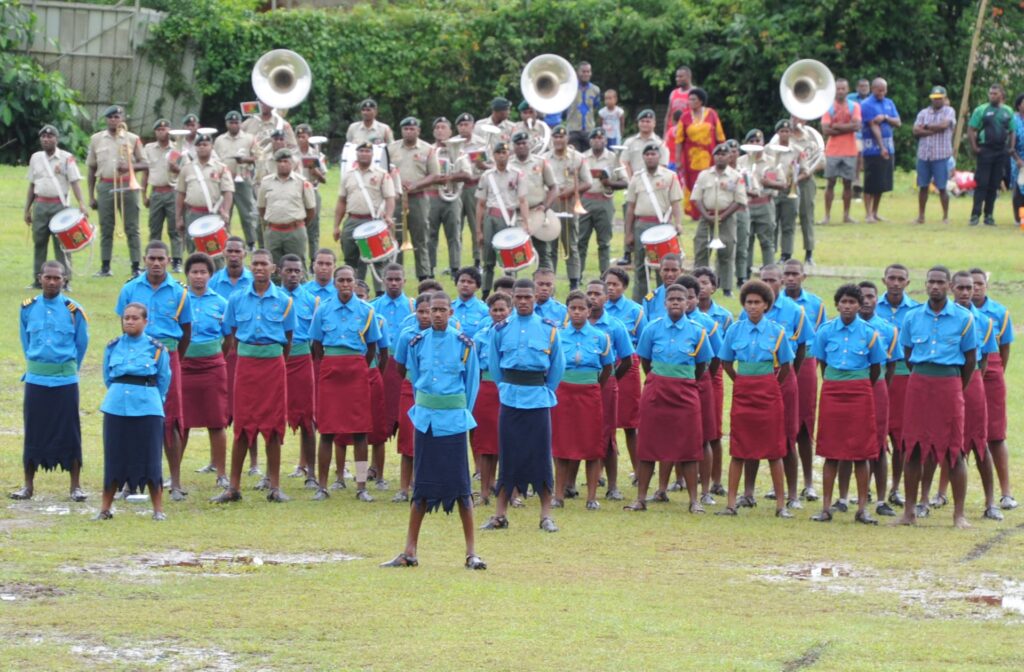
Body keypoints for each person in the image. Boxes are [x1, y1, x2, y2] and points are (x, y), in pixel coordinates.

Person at [380, 292, 485, 570]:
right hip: (425, 420)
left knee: (462, 488)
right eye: (432, 310)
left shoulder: (464, 344)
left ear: (451, 313)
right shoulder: (416, 344)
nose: (437, 315)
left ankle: (472, 552)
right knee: (421, 488)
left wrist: (460, 414)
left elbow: (472, 385)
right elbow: (414, 382)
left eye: (442, 310)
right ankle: (409, 551)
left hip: (452, 422)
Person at [211, 249, 295, 504]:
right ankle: (233, 487)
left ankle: (275, 486)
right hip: (246, 364)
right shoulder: (236, 300)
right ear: (251, 266)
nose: (259, 268)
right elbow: (232, 332)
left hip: (273, 365)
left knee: (273, 425)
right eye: (255, 264)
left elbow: (288, 339)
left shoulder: (284, 301)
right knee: (243, 425)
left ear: (273, 269)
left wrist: (274, 359)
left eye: (264, 264)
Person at [480, 279, 565, 532]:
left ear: (534, 298)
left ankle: (546, 515)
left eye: (528, 297)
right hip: (510, 399)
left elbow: (557, 366)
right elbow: (495, 365)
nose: (524, 301)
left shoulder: (549, 329)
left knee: (540, 455)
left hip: (538, 398)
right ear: (513, 298)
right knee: (508, 454)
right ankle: (500, 514)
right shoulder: (501, 329)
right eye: (519, 297)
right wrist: (505, 388)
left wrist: (545, 389)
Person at [896, 266, 976, 528]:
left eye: (941, 282)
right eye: (931, 282)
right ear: (925, 284)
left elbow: (970, 360)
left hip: (950, 384)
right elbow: (908, 354)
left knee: (954, 449)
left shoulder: (964, 318)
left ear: (950, 286)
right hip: (919, 383)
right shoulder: (911, 317)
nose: (935, 287)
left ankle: (959, 515)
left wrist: (953, 386)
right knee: (913, 448)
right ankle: (909, 512)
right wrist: (924, 376)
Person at [921, 271, 1001, 520]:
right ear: (951, 288)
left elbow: (984, 360)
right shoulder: (943, 318)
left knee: (979, 441)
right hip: (945, 381)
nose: (967, 292)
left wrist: (968, 383)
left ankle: (990, 503)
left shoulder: (985, 323)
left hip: (971, 381)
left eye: (972, 287)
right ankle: (925, 499)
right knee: (933, 439)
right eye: (962, 288)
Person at [625, 283, 712, 512]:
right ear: (664, 303)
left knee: (690, 447)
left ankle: (694, 501)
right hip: (656, 392)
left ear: (688, 303)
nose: (675, 302)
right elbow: (645, 360)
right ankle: (641, 498)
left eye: (680, 299)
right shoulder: (652, 329)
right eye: (671, 299)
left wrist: (681, 380)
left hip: (685, 393)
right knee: (647, 445)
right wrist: (660, 380)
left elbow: (702, 366)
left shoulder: (697, 331)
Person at [116, 240, 192, 501]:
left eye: (161, 258)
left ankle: (175, 481)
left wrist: (171, 361)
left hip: (169, 358)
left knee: (171, 421)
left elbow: (186, 332)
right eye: (152, 258)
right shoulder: (129, 289)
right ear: (144, 260)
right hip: (136, 358)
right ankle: (130, 481)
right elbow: (123, 327)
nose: (157, 263)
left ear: (169, 260)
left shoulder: (181, 293)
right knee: (134, 419)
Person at [809, 284, 887, 524]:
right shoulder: (825, 331)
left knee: (861, 453)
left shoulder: (870, 333)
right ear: (837, 304)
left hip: (861, 392)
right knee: (830, 452)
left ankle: (862, 508)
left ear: (859, 305)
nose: (847, 306)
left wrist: (857, 384)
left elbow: (876, 368)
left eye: (852, 302)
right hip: (833, 391)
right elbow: (822, 363)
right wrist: (836, 382)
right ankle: (826, 507)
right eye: (843, 302)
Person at [716, 280, 794, 518]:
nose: (752, 307)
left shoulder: (777, 332)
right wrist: (740, 380)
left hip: (769, 393)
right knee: (738, 448)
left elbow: (787, 365)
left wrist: (770, 384)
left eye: (757, 302)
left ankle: (781, 505)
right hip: (743, 392)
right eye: (748, 302)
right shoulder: (734, 331)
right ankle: (730, 503)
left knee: (774, 449)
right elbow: (726, 361)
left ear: (766, 305)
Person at [12, 261, 88, 502]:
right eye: (48, 277)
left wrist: (66, 370)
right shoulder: (27, 308)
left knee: (70, 431)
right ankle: (28, 485)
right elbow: (26, 342)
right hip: (36, 379)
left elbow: (81, 345)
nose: (53, 282)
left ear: (64, 280)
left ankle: (75, 486)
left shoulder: (74, 310)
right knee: (34, 431)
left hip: (65, 380)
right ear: (40, 278)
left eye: (57, 278)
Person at [740, 264, 815, 509]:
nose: (768, 284)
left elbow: (801, 347)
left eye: (772, 279)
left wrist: (786, 375)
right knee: (750, 433)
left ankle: (792, 494)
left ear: (780, 282)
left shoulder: (795, 311)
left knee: (787, 435)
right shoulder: (749, 310)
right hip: (755, 378)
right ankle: (748, 492)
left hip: (783, 376)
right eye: (764, 279)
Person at [308, 264, 382, 502]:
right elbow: (316, 345)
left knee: (360, 431)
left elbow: (372, 347)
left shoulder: (366, 310)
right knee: (327, 430)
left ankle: (361, 485)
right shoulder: (323, 310)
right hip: (330, 369)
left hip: (357, 370)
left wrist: (358, 365)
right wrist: (331, 363)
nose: (345, 284)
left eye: (349, 280)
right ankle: (322, 485)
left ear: (354, 281)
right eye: (340, 280)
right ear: (335, 283)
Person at [96, 302, 171, 521]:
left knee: (150, 457)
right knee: (114, 457)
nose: (129, 321)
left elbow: (164, 380)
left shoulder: (157, 349)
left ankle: (158, 510)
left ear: (145, 321)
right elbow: (108, 378)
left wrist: (153, 401)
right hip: (116, 406)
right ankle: (105, 508)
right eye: (126, 317)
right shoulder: (113, 346)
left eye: (135, 318)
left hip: (147, 407)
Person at [551, 291, 614, 509]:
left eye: (581, 309)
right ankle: (558, 494)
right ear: (567, 311)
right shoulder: (557, 336)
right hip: (564, 393)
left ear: (589, 311)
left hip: (590, 393)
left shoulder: (600, 337)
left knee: (592, 446)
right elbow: (551, 366)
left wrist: (594, 386)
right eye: (573, 308)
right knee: (561, 444)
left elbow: (608, 367)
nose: (577, 312)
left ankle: (591, 497)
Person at [179, 252, 231, 489]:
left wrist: (215, 355)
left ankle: (221, 473)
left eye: (203, 272)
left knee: (217, 420)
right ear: (187, 275)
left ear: (210, 275)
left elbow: (229, 337)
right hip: (185, 366)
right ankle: (174, 473)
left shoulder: (221, 302)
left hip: (213, 366)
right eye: (194, 272)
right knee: (182, 422)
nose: (198, 277)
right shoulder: (180, 300)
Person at [970, 268, 1018, 510]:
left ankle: (1006, 492)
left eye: (980, 283)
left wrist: (996, 372)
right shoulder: (956, 313)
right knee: (957, 434)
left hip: (992, 370)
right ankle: (941, 492)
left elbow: (1005, 348)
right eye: (971, 284)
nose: (976, 288)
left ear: (986, 285)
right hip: (966, 371)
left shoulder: (999, 312)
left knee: (996, 434)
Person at [584, 280, 635, 503]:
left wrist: (611, 379)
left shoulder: (614, 326)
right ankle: (569, 484)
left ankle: (612, 485)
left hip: (606, 384)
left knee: (608, 435)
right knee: (580, 432)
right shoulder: (576, 323)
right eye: (590, 293)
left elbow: (627, 360)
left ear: (606, 298)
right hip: (582, 385)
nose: (593, 297)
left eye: (598, 294)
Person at [87, 105, 148, 278]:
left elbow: (145, 163)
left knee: (132, 227)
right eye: (111, 117)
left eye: (117, 117)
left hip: (128, 185)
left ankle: (136, 266)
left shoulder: (133, 138)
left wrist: (130, 166)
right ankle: (105, 266)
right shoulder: (96, 139)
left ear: (123, 119)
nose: (114, 120)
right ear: (106, 119)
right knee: (106, 226)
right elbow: (91, 168)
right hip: (105, 185)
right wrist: (91, 195)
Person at [783, 259, 826, 500]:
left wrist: (812, 367)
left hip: (807, 364)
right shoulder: (773, 303)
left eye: (795, 274)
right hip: (781, 365)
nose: (790, 278)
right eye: (787, 274)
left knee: (804, 424)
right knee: (781, 423)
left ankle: (808, 481)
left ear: (803, 276)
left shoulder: (816, 305)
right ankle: (780, 480)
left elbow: (819, 339)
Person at [876, 264, 919, 507]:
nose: (895, 282)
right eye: (891, 278)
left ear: (907, 282)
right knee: (875, 433)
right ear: (884, 280)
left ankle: (895, 487)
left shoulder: (915, 310)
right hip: (879, 375)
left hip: (904, 375)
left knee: (901, 436)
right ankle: (872, 488)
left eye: (900, 278)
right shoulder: (871, 306)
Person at [602, 266, 646, 493]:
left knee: (630, 424)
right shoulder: (597, 308)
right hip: (603, 367)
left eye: (615, 284)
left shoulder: (635, 311)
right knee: (603, 422)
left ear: (624, 287)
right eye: (607, 284)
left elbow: (644, 340)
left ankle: (639, 471)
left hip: (627, 366)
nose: (611, 288)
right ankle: (600, 471)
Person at [24, 125, 85, 288]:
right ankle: (38, 279)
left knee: (63, 245)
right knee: (39, 243)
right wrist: (27, 209)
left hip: (60, 206)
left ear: (56, 139)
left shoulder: (66, 157)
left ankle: (64, 280)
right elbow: (31, 185)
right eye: (43, 137)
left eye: (49, 137)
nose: (46, 139)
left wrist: (81, 204)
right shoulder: (35, 158)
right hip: (41, 204)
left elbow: (75, 182)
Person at [280, 255, 320, 494]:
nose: (293, 274)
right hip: (277, 360)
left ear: (303, 273)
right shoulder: (273, 297)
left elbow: (316, 338)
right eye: (288, 270)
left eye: (297, 270)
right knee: (271, 417)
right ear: (280, 272)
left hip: (302, 359)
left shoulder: (311, 300)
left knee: (308, 418)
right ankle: (267, 474)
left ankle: (312, 473)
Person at [334, 141, 396, 292]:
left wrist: (388, 216)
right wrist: (336, 225)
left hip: (373, 222)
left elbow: (390, 198)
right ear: (356, 154)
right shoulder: (348, 176)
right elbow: (341, 201)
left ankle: (380, 294)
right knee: (351, 259)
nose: (364, 154)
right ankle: (356, 291)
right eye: (361, 151)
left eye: (367, 151)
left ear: (372, 154)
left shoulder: (381, 174)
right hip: (352, 221)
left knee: (379, 261)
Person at [371, 263, 415, 482]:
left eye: (398, 279)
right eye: (390, 279)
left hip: (406, 368)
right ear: (383, 280)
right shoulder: (373, 307)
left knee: (407, 420)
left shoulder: (414, 306)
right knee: (377, 418)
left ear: (404, 281)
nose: (394, 283)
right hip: (382, 364)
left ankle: (411, 475)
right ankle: (372, 469)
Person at [624, 144, 684, 302]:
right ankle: (639, 302)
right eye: (647, 154)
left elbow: (676, 202)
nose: (650, 157)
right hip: (641, 225)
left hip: (663, 226)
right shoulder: (637, 178)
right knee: (640, 266)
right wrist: (628, 233)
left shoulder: (669, 176)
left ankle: (666, 300)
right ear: (643, 157)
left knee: (663, 267)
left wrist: (678, 223)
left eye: (653, 154)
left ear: (659, 157)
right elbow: (630, 207)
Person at [694, 266, 733, 496]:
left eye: (706, 283)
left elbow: (722, 352)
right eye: (697, 283)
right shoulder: (685, 312)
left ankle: (715, 479)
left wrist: (711, 373)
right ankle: (682, 476)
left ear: (715, 288)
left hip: (712, 374)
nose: (701, 288)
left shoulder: (724, 317)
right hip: (692, 373)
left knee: (713, 430)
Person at [691, 143, 747, 297]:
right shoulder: (704, 175)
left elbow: (740, 200)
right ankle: (697, 285)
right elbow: (696, 198)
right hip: (706, 216)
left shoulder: (736, 176)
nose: (721, 157)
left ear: (730, 157)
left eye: (724, 154)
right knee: (701, 249)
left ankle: (727, 287)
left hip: (726, 217)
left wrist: (722, 216)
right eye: (718, 154)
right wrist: (707, 216)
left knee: (727, 252)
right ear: (713, 156)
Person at [474, 141, 530, 292]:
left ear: (509, 154)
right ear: (493, 156)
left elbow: (523, 200)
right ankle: (486, 293)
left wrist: (526, 223)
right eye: (498, 153)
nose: (501, 156)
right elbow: (480, 204)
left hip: (510, 219)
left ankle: (511, 292)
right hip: (491, 217)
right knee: (488, 260)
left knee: (511, 260)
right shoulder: (487, 176)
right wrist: (478, 230)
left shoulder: (517, 174)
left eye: (504, 153)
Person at [389, 117, 440, 280]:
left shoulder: (427, 149)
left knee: (421, 238)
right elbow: (383, 171)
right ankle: (396, 275)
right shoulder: (391, 148)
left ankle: (424, 276)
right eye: (405, 129)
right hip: (396, 199)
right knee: (395, 237)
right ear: (401, 130)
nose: (408, 132)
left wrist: (416, 185)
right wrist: (396, 182)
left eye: (412, 129)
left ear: (418, 130)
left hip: (419, 199)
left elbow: (435, 175)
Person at [471, 292, 509, 504]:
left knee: (510, 444)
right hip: (486, 390)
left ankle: (511, 493)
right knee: (486, 445)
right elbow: (473, 369)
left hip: (509, 390)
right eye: (494, 310)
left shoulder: (515, 334)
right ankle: (485, 492)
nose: (498, 314)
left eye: (502, 309)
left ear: (509, 311)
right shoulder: (480, 337)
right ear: (489, 312)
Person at [543, 126, 591, 287]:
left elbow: (588, 182)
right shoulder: (544, 158)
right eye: (555, 137)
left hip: (569, 204)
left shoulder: (577, 158)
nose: (558, 140)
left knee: (571, 244)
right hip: (550, 205)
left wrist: (569, 191)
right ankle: (550, 282)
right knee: (551, 246)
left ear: (567, 139)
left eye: (561, 137)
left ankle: (574, 282)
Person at [174, 133, 234, 256]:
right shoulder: (187, 168)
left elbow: (228, 191)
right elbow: (180, 194)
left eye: (205, 144)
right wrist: (179, 217)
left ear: (211, 146)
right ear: (195, 148)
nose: (202, 147)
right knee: (193, 249)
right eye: (199, 145)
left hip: (213, 213)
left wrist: (226, 211)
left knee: (217, 250)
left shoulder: (220, 168)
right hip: (193, 214)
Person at [736, 131, 783, 284]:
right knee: (745, 241)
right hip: (746, 205)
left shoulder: (771, 162)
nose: (755, 143)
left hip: (765, 204)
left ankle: (770, 275)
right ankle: (744, 274)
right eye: (752, 140)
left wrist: (768, 183)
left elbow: (783, 183)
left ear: (763, 142)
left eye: (758, 140)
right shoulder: (740, 162)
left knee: (767, 241)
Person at [257, 148, 315, 270]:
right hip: (273, 232)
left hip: (295, 231)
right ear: (275, 164)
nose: (282, 164)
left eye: (285, 161)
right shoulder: (266, 182)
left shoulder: (302, 182)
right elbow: (262, 207)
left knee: (297, 265)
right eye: (280, 162)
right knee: (272, 267)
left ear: (292, 163)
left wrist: (299, 224)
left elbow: (310, 210)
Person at [428, 117, 472, 278]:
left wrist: (450, 177)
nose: (440, 130)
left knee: (454, 235)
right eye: (437, 127)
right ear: (433, 131)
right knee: (430, 235)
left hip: (452, 198)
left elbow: (468, 174)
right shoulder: (429, 151)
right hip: (432, 197)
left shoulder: (459, 152)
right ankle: (429, 268)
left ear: (450, 132)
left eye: (444, 127)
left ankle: (455, 268)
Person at [509, 130, 557, 273]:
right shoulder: (508, 164)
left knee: (543, 252)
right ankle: (512, 288)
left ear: (529, 144)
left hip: (536, 212)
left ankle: (547, 286)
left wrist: (545, 206)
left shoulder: (540, 162)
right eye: (518, 144)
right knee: (513, 253)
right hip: (514, 214)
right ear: (513, 146)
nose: (521, 146)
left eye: (524, 143)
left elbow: (554, 187)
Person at [580, 128, 626, 275]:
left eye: (601, 138)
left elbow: (626, 182)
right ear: (590, 140)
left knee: (604, 243)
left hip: (604, 201)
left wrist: (610, 183)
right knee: (581, 241)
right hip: (585, 200)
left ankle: (605, 275)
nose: (598, 140)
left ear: (605, 140)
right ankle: (577, 275)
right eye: (594, 138)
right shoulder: (582, 158)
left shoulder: (614, 158)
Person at [968, 84, 1015, 227]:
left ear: (1001, 95)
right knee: (982, 183)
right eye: (990, 93)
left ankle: (989, 215)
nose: (992, 96)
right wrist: (975, 147)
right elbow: (971, 128)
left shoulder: (1008, 111)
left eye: (995, 93)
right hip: (986, 150)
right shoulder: (981, 110)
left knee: (994, 184)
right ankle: (975, 215)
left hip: (1001, 151)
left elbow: (1012, 131)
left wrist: (1011, 147)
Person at [676, 88, 726, 219]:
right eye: (689, 99)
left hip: (710, 155)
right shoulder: (685, 117)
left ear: (701, 101)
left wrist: (723, 154)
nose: (690, 102)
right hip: (691, 158)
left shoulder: (712, 114)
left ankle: (711, 209)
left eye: (693, 99)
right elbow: (679, 139)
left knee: (710, 182)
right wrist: (678, 159)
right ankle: (696, 213)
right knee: (693, 183)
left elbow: (720, 137)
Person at [140, 119, 182, 272]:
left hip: (172, 191)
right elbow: (146, 172)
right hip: (156, 192)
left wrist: (175, 168)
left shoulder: (177, 148)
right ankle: (151, 259)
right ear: (155, 132)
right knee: (154, 228)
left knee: (175, 229)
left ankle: (177, 260)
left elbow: (184, 172)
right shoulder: (149, 148)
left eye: (165, 129)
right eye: (158, 129)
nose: (162, 132)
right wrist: (144, 194)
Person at [214, 111, 259, 249]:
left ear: (240, 123)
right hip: (225, 181)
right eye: (231, 122)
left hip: (243, 180)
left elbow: (258, 157)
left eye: (236, 122)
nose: (234, 125)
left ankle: (251, 242)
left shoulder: (249, 138)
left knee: (247, 213)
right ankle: (225, 240)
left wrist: (245, 159)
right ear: (226, 123)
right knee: (224, 213)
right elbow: (215, 159)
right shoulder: (219, 140)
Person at [820, 79, 862, 225]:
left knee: (847, 184)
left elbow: (857, 126)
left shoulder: (854, 106)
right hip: (833, 151)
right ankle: (827, 216)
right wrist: (847, 127)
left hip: (850, 150)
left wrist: (836, 127)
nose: (841, 91)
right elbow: (825, 130)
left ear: (848, 89)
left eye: (843, 88)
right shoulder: (828, 107)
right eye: (838, 89)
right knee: (830, 182)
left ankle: (846, 215)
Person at [913, 86, 956, 224]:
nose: (936, 101)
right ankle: (921, 216)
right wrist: (932, 129)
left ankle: (945, 217)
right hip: (924, 155)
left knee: (942, 187)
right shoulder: (923, 112)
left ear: (944, 98)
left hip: (941, 156)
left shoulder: (949, 111)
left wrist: (925, 127)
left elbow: (944, 126)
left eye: (939, 98)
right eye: (934, 98)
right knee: (923, 186)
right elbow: (915, 131)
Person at [784, 118, 825, 264]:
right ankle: (785, 253)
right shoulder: (783, 137)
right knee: (787, 217)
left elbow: (822, 162)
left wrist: (807, 170)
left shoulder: (812, 139)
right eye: (792, 116)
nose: (794, 120)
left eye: (798, 117)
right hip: (786, 182)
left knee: (807, 215)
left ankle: (809, 253)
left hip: (806, 181)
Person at [860, 78, 901, 223]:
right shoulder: (866, 105)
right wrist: (881, 147)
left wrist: (885, 117)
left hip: (888, 147)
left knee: (882, 183)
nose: (882, 92)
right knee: (870, 182)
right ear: (873, 89)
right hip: (872, 149)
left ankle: (875, 212)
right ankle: (868, 213)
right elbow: (873, 125)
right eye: (879, 90)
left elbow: (898, 122)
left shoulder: (889, 103)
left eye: (884, 90)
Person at [455, 112, 487, 270]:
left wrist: (483, 165)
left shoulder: (481, 143)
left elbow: (491, 165)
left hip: (475, 185)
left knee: (476, 225)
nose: (463, 127)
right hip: (457, 188)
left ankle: (478, 261)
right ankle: (455, 262)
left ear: (473, 126)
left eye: (466, 125)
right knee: (456, 226)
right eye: (460, 125)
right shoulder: (452, 143)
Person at [768, 120, 803, 262]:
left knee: (788, 224)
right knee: (772, 223)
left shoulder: (797, 151)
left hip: (790, 190)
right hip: (774, 189)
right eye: (782, 131)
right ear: (777, 133)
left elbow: (805, 170)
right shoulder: (768, 149)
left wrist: (794, 179)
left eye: (787, 131)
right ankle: (771, 251)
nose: (785, 134)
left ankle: (786, 254)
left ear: (791, 133)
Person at [294, 124, 327, 267]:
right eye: (299, 137)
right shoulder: (291, 154)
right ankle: (296, 259)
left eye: (304, 137)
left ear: (309, 138)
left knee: (313, 227)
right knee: (296, 226)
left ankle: (314, 259)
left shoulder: (317, 154)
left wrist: (316, 171)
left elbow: (324, 180)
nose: (302, 140)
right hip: (295, 192)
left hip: (312, 191)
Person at [564, 61, 601, 152]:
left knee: (588, 157)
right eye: (583, 71)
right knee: (573, 157)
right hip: (573, 130)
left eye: (588, 71)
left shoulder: (595, 90)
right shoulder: (569, 88)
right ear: (578, 72)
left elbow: (596, 107)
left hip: (589, 130)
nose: (586, 74)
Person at [452, 266, 489, 340]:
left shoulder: (485, 310)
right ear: (456, 284)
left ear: (477, 287)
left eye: (470, 282)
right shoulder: (448, 308)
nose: (465, 285)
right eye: (462, 281)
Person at [664, 66, 694, 138]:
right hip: (672, 134)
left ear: (688, 77)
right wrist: (665, 135)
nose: (677, 79)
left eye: (680, 77)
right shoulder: (673, 93)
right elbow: (668, 116)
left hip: (687, 134)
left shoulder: (694, 93)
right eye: (677, 77)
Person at [1009, 94, 1024, 225]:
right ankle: (1019, 219)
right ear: (1019, 105)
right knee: (1019, 191)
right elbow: (1010, 144)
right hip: (1018, 159)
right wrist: (1018, 160)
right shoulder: (1013, 120)